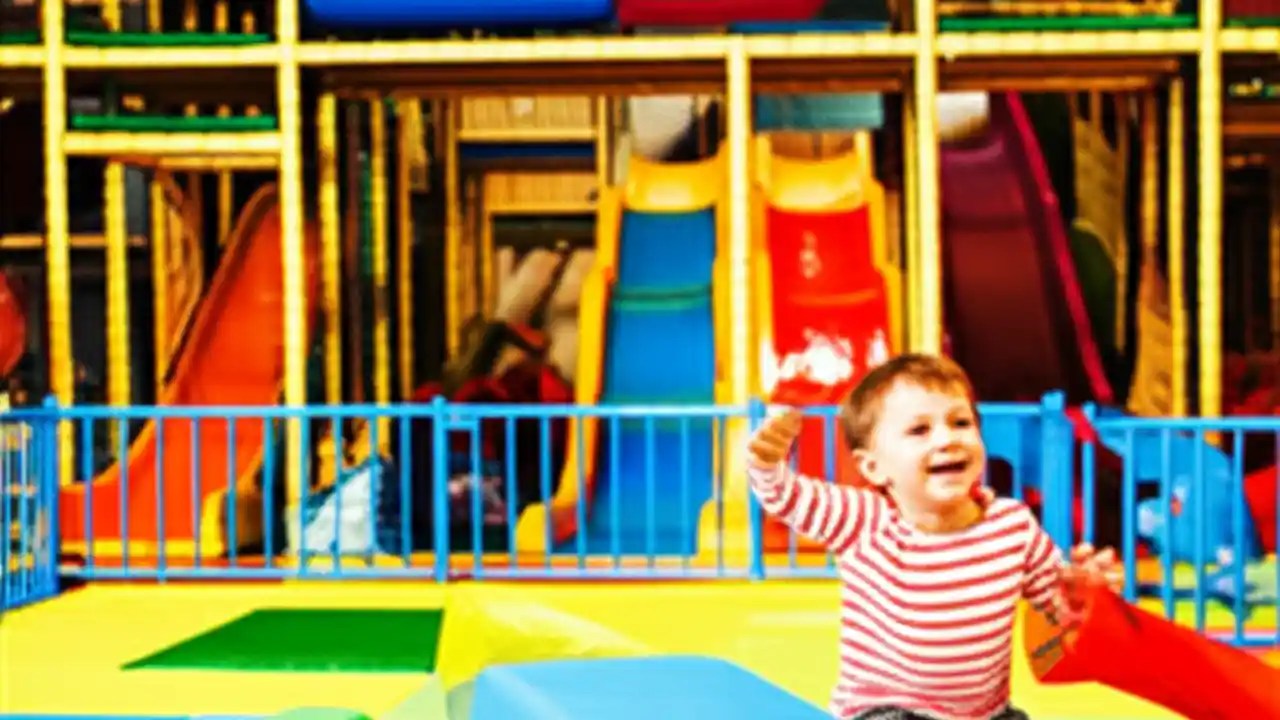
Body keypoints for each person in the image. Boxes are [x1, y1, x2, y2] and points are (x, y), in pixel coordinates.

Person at [746, 353, 1120, 720]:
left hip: (985, 713)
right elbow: (785, 496)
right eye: (919, 430)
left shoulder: (1012, 526)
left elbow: (1054, 601)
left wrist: (1085, 591)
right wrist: (766, 463)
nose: (947, 439)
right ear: (873, 467)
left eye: (960, 422)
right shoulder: (863, 521)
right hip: (886, 709)